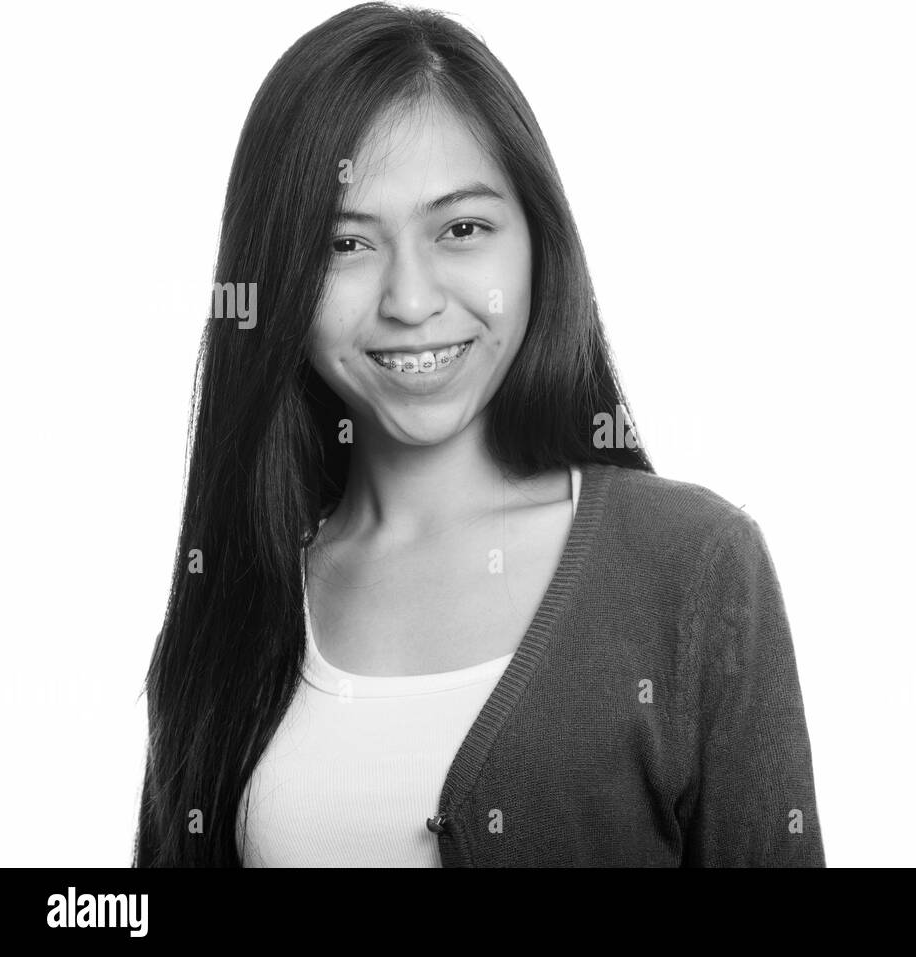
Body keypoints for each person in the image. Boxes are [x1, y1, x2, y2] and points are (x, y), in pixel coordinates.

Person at [133, 1, 825, 867]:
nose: (411, 300)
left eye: (461, 229)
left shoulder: (694, 566)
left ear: (539, 241)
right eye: (345, 244)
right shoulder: (241, 590)